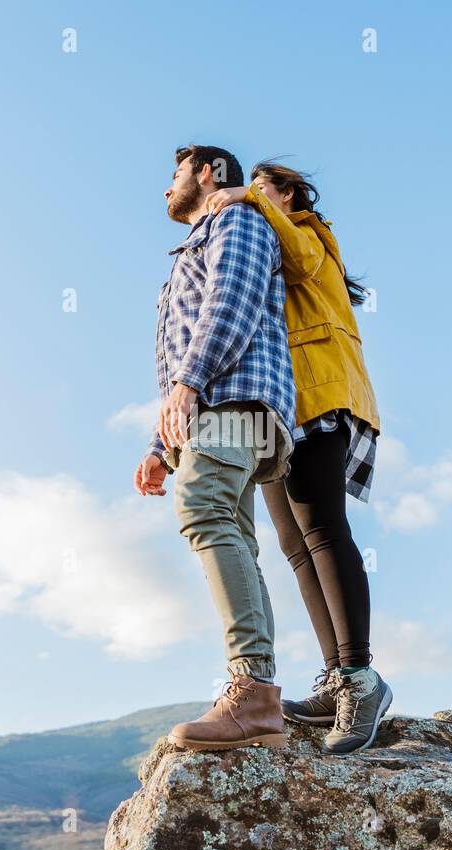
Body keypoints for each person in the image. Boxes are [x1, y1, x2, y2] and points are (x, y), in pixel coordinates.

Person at [204, 162, 391, 753]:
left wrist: (248, 199)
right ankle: (337, 676)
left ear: (288, 194)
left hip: (321, 396)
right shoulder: (269, 242)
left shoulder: (310, 234)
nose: (252, 199)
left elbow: (303, 261)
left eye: (264, 190)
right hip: (281, 405)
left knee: (322, 529)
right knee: (293, 544)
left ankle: (361, 676)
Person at [133, 145, 295, 751]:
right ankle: (257, 703)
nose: (165, 189)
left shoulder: (238, 220)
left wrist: (190, 384)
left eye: (174, 174)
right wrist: (161, 441)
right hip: (213, 407)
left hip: (237, 398)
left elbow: (233, 303)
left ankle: (252, 691)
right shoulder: (190, 250)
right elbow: (177, 350)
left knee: (201, 508)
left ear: (206, 173)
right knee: (231, 529)